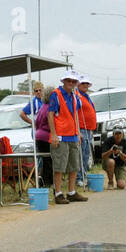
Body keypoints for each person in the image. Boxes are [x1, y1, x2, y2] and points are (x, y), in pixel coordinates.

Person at [48, 71, 85, 204]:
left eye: (74, 81)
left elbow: (75, 114)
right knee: (59, 166)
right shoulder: (56, 95)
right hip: (60, 136)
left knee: (74, 166)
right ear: (63, 81)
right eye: (68, 81)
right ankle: (58, 193)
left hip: (73, 135)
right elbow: (50, 114)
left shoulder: (75, 96)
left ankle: (71, 192)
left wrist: (78, 131)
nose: (71, 83)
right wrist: (53, 134)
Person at [76, 76, 97, 189]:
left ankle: (83, 175)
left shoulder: (86, 96)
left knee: (86, 155)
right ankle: (79, 178)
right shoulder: (77, 96)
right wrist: (77, 130)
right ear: (78, 84)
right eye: (83, 83)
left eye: (87, 83)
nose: (85, 85)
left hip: (89, 129)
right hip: (82, 129)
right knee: (81, 154)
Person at [32, 84, 53, 188]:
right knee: (49, 160)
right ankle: (48, 181)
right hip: (46, 137)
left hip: (39, 135)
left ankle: (44, 181)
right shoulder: (49, 108)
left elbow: (36, 123)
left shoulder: (43, 107)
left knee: (45, 161)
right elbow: (51, 124)